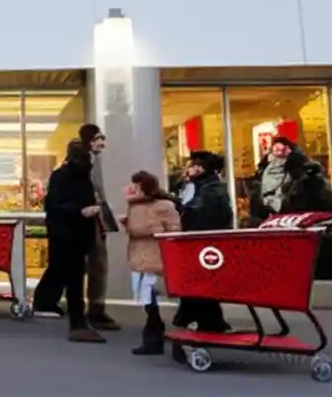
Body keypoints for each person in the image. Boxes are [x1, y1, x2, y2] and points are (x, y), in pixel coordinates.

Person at [33, 125, 120, 331]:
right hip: (75, 225)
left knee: (95, 265)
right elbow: (57, 203)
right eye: (98, 138)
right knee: (70, 268)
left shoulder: (96, 162)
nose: (102, 143)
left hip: (93, 220)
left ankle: (94, 309)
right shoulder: (73, 168)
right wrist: (81, 210)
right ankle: (73, 313)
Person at [44, 141, 106, 343]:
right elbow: (54, 206)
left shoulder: (68, 176)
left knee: (73, 278)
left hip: (71, 234)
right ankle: (77, 321)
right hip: (70, 233)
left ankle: (77, 319)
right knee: (74, 279)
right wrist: (80, 210)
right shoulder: (71, 177)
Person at [120, 170, 181, 356]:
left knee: (148, 298)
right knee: (146, 299)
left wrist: (139, 226)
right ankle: (155, 334)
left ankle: (154, 336)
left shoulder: (163, 206)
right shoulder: (135, 205)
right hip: (140, 255)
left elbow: (173, 229)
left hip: (153, 256)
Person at [172, 150, 233, 333]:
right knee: (196, 280)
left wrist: (181, 208)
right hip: (195, 239)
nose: (189, 169)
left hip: (205, 241)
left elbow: (204, 212)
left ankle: (206, 320)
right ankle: (196, 317)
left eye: (193, 165)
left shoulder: (212, 188)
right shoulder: (193, 185)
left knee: (202, 281)